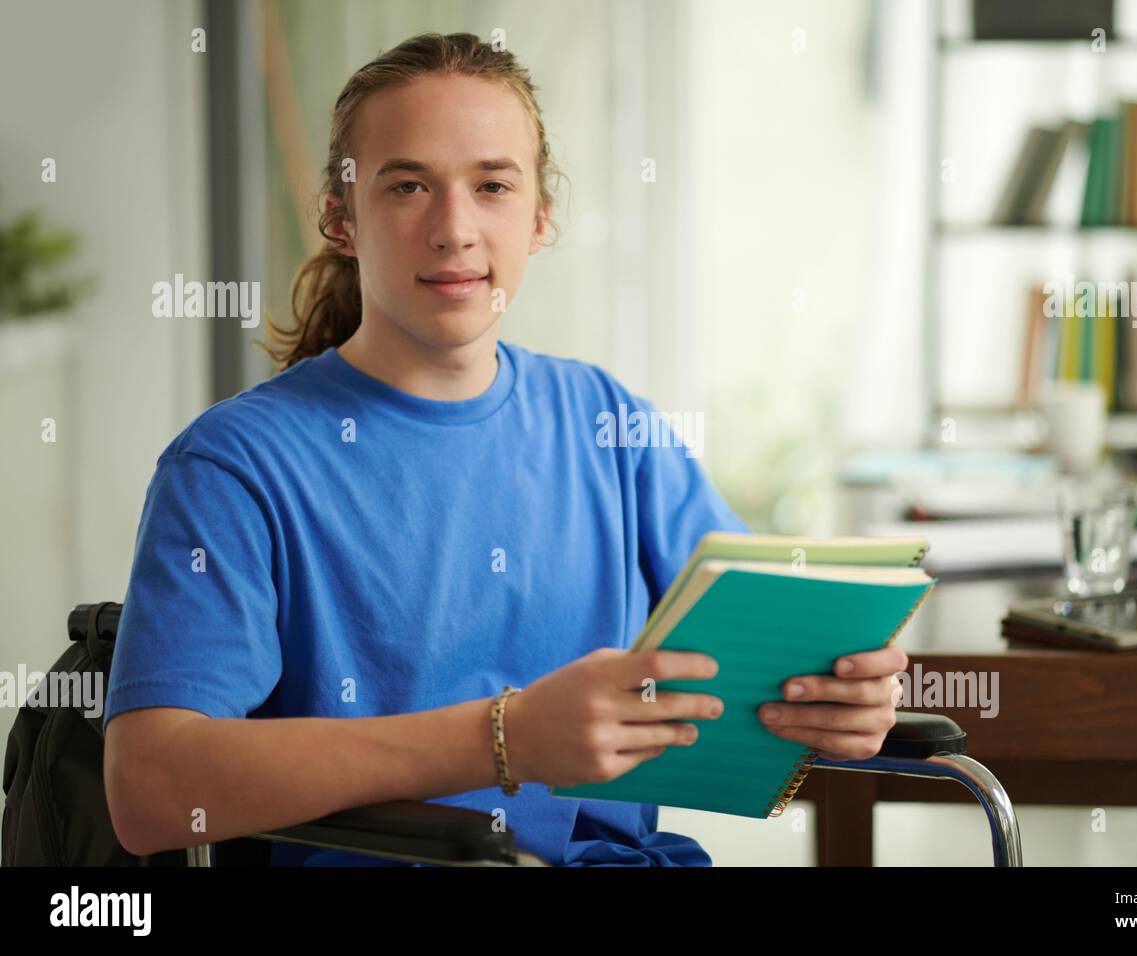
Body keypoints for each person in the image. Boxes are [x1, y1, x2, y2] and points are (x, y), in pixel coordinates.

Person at [102, 32, 905, 868]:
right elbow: (151, 791)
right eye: (408, 186)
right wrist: (504, 739)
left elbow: (763, 654)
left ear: (539, 215)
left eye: (492, 185)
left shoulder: (605, 419)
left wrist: (838, 694)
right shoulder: (233, 467)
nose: (455, 231)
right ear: (341, 218)